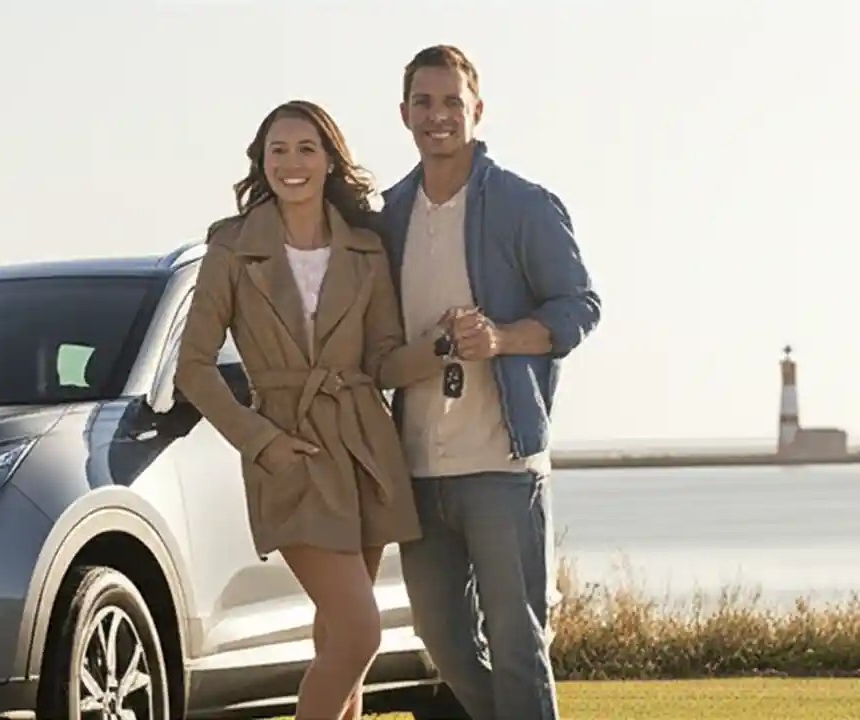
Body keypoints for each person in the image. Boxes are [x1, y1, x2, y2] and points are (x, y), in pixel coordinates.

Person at [173, 100, 449, 720]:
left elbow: (380, 362)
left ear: (329, 160)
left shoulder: (366, 250)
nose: (291, 163)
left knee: (338, 642)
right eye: (278, 150)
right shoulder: (231, 248)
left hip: (364, 448)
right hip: (288, 449)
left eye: (306, 149)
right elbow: (193, 367)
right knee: (360, 632)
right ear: (261, 161)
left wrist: (439, 350)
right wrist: (261, 441)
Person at [377, 45, 602, 720]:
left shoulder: (524, 206)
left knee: (517, 644)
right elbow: (379, 348)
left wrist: (501, 339)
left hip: (504, 464)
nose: (437, 116)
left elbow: (578, 307)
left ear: (477, 109)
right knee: (441, 640)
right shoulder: (386, 216)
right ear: (404, 113)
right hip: (417, 468)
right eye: (424, 102)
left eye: (452, 102)